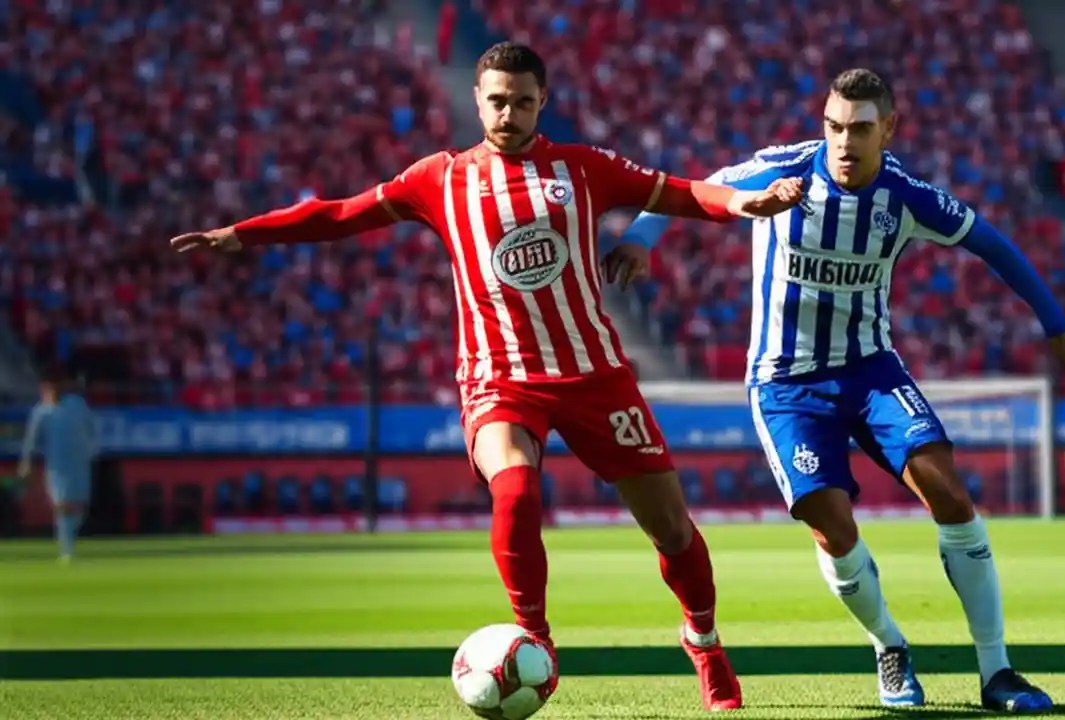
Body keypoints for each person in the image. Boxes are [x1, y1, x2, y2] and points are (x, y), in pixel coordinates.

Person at [170, 42, 804, 711]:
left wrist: (745, 203)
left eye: (523, 101)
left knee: (672, 530)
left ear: (542, 102)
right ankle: (532, 637)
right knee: (517, 491)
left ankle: (702, 640)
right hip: (499, 380)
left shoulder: (582, 169)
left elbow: (680, 192)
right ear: (478, 100)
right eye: (497, 101)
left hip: (595, 376)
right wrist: (243, 234)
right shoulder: (439, 179)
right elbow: (341, 214)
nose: (509, 113)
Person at [620, 68, 1065, 713]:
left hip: (871, 370)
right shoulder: (778, 169)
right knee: (830, 522)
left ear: (887, 129)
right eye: (835, 126)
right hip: (785, 383)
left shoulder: (907, 196)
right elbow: (685, 192)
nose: (844, 142)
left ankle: (997, 671)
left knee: (949, 491)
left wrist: (1056, 325)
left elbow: (995, 246)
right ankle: (889, 646)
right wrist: (641, 240)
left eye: (861, 129)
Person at [18, 369, 98, 563]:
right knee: (62, 505)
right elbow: (31, 440)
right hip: (56, 466)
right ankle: (66, 549)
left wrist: (92, 449)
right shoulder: (41, 411)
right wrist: (26, 463)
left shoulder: (77, 405)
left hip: (79, 464)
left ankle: (69, 535)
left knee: (79, 507)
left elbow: (91, 428)